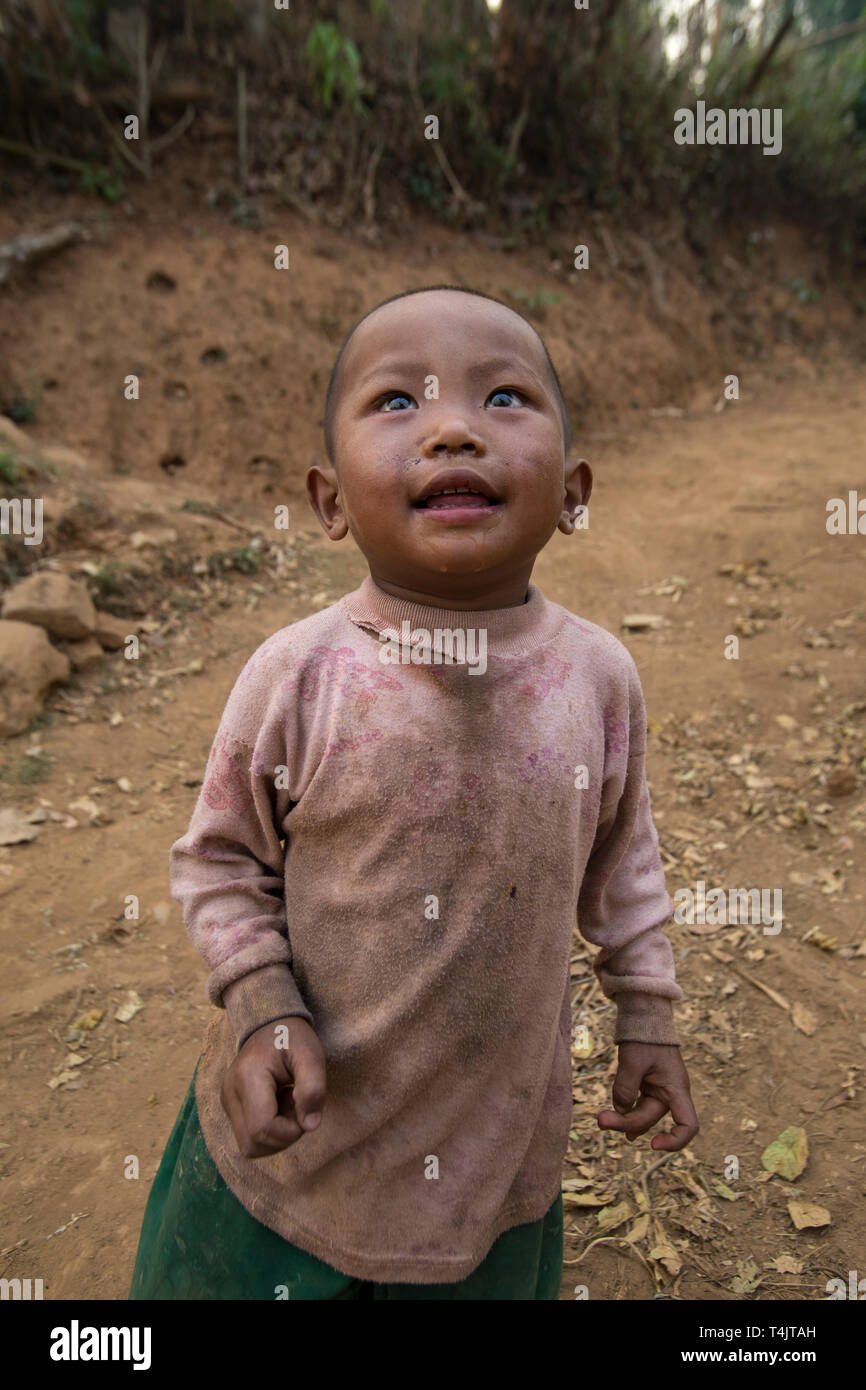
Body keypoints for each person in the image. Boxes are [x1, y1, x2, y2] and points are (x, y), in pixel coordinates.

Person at [129, 284, 698, 1301]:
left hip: (487, 1157)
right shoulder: (297, 675)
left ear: (571, 492)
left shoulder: (598, 678)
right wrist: (260, 1005)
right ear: (329, 500)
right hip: (297, 1144)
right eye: (397, 403)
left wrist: (645, 1013)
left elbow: (624, 862)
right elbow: (219, 860)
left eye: (503, 399)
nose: (448, 429)